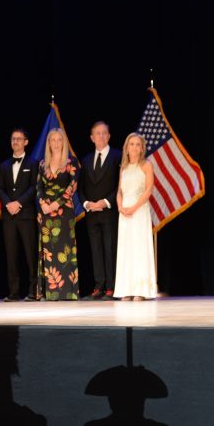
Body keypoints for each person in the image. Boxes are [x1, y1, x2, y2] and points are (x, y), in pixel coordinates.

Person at [77, 122, 121, 300]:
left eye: (104, 133)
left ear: (109, 136)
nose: (101, 136)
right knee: (95, 249)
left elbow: (120, 184)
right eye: (97, 133)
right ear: (92, 138)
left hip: (109, 211)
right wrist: (87, 204)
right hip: (91, 213)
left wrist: (104, 202)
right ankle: (99, 286)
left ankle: (111, 287)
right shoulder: (86, 159)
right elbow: (81, 188)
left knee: (110, 249)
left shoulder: (118, 156)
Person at [112, 132, 157, 301]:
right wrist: (120, 206)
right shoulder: (123, 167)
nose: (134, 147)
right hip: (124, 212)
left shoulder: (146, 165)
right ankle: (127, 289)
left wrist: (134, 208)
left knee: (139, 248)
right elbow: (119, 191)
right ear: (127, 147)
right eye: (132, 144)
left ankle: (141, 290)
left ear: (142, 148)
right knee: (126, 249)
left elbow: (148, 190)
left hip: (139, 210)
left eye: (138, 144)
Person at [37, 128, 80, 301]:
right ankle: (50, 292)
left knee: (65, 250)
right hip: (46, 214)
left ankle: (67, 292)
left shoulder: (72, 163)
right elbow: (39, 187)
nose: (55, 143)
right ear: (48, 143)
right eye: (52, 140)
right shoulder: (42, 164)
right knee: (50, 251)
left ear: (64, 142)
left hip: (65, 213)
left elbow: (72, 186)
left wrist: (56, 203)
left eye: (59, 140)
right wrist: (43, 205)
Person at [0, 129, 39, 301]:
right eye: (13, 139)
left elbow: (34, 187)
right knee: (11, 254)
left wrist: (18, 203)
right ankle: (14, 292)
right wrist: (8, 203)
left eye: (19, 139)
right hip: (9, 216)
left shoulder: (34, 163)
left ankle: (33, 290)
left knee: (30, 255)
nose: (15, 142)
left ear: (26, 142)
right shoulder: (4, 165)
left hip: (26, 215)